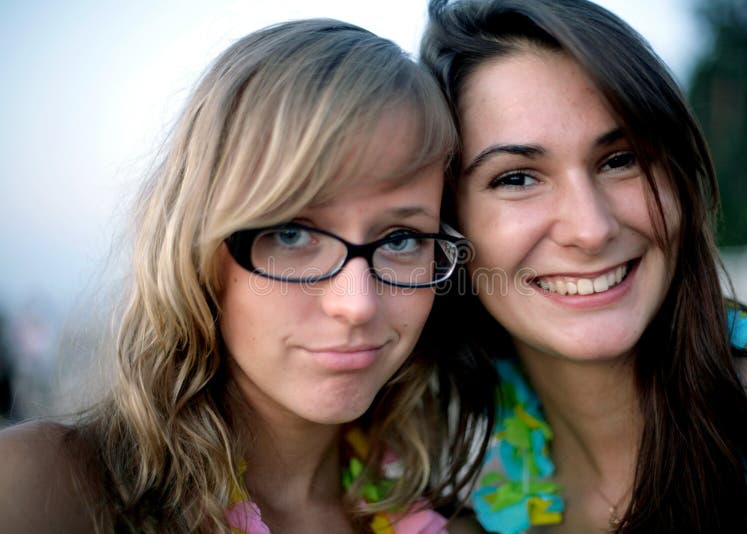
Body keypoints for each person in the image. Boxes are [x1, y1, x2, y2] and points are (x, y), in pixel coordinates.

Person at [0, 19, 496, 533]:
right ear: (198, 249)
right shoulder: (41, 491)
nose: (357, 304)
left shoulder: (451, 525)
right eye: (290, 233)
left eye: (400, 240)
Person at [421, 0, 747, 532]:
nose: (591, 228)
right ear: (446, 222)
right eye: (517, 178)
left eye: (620, 160)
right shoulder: (446, 501)